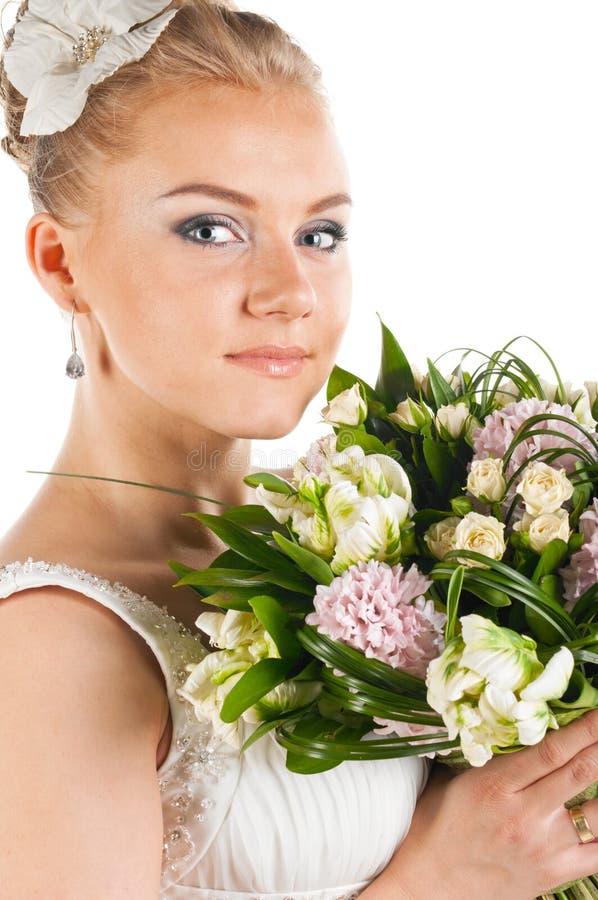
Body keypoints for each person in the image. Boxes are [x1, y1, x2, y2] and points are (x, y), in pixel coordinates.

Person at [0, 2, 596, 898]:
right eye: (210, 228)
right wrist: (441, 883)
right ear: (60, 263)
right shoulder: (49, 651)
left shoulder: (346, 540)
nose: (290, 292)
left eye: (320, 234)